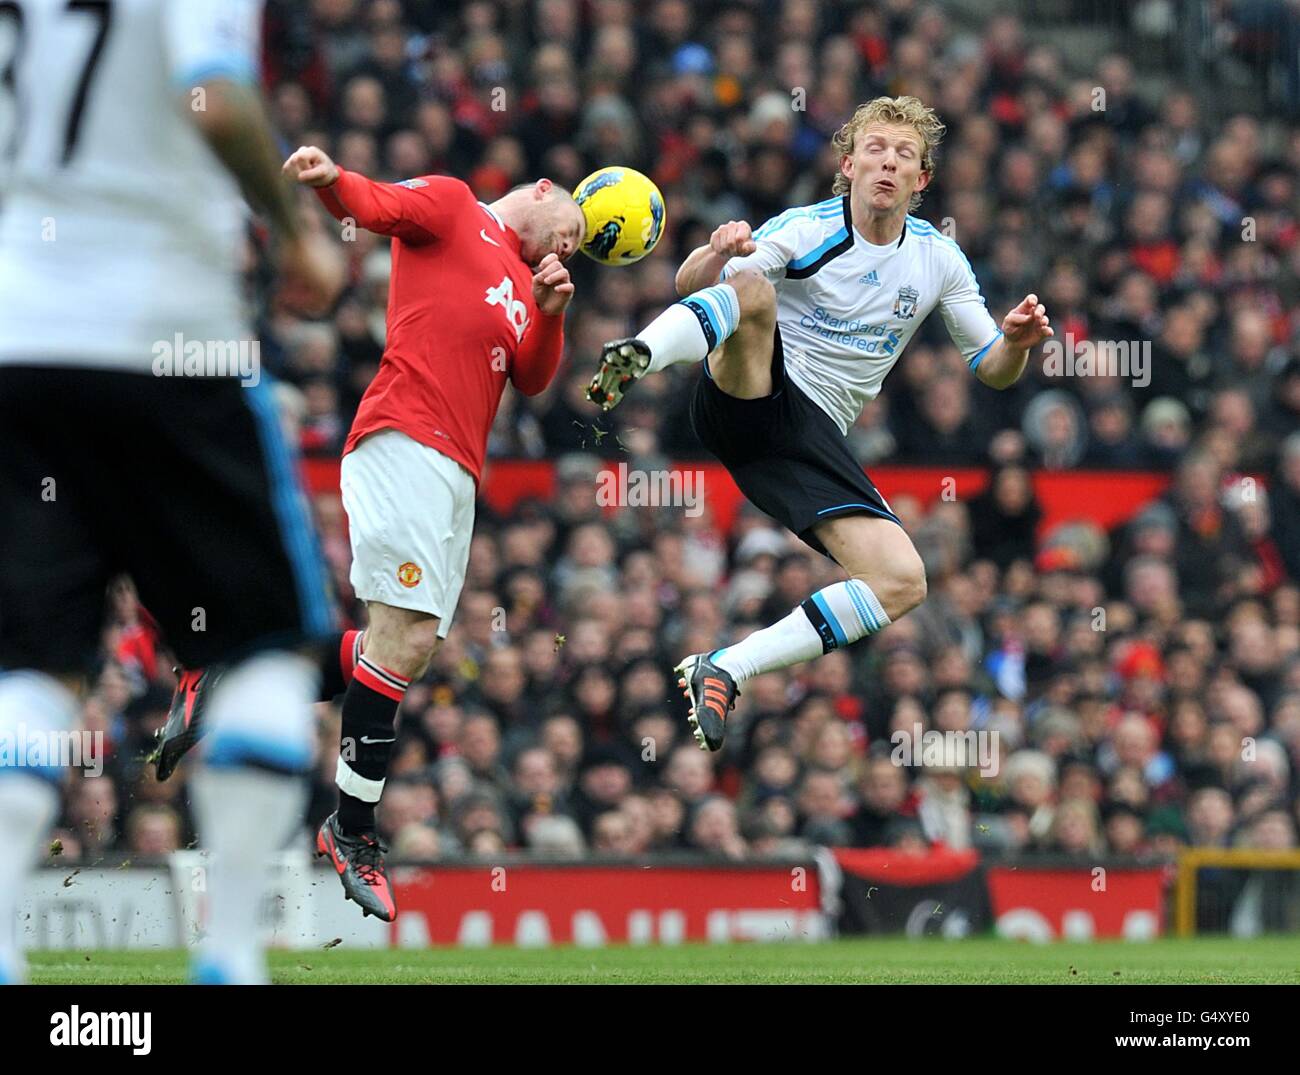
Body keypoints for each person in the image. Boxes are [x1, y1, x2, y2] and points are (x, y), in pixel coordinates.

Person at [0, 0, 342, 984]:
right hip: (163, 332)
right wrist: (296, 231)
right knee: (267, 648)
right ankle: (231, 949)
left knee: (30, 662)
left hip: (18, 340)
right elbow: (213, 99)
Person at [158, 143, 582, 922]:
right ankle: (350, 828)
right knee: (404, 638)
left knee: (402, 647)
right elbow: (380, 205)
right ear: (545, 189)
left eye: (579, 250)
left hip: (458, 470)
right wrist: (331, 184)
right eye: (575, 228)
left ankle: (225, 669)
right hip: (404, 436)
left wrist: (552, 312)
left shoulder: (526, 281)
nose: (569, 245)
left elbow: (529, 376)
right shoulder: (457, 206)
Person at [586, 95, 1052, 751]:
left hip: (803, 443)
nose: (888, 163)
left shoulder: (938, 259)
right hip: (749, 392)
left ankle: (727, 666)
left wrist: (1019, 342)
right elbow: (695, 283)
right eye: (876, 150)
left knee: (903, 581)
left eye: (904, 156)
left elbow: (993, 368)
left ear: (921, 180)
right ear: (848, 164)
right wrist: (713, 254)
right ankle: (641, 354)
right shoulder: (807, 227)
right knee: (751, 290)